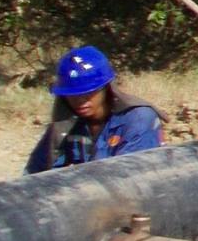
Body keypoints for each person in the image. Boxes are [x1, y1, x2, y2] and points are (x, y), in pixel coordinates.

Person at [25, 44, 165, 173]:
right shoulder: (65, 125)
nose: (80, 101)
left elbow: (130, 178)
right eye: (73, 95)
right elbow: (34, 174)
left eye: (88, 93)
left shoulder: (138, 119)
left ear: (105, 89)